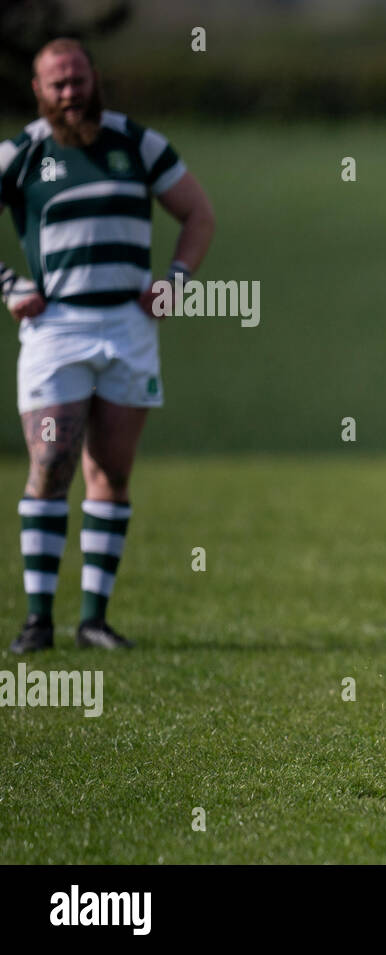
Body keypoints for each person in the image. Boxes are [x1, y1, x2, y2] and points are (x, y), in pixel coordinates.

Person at [1, 38, 215, 653]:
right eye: (56, 84)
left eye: (78, 79)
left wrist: (176, 282)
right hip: (56, 330)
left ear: (96, 77)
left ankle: (94, 619)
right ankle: (37, 619)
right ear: (39, 90)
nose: (70, 92)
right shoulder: (21, 153)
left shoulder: (136, 143)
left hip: (127, 327)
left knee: (112, 472)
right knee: (51, 463)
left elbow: (198, 213)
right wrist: (10, 284)